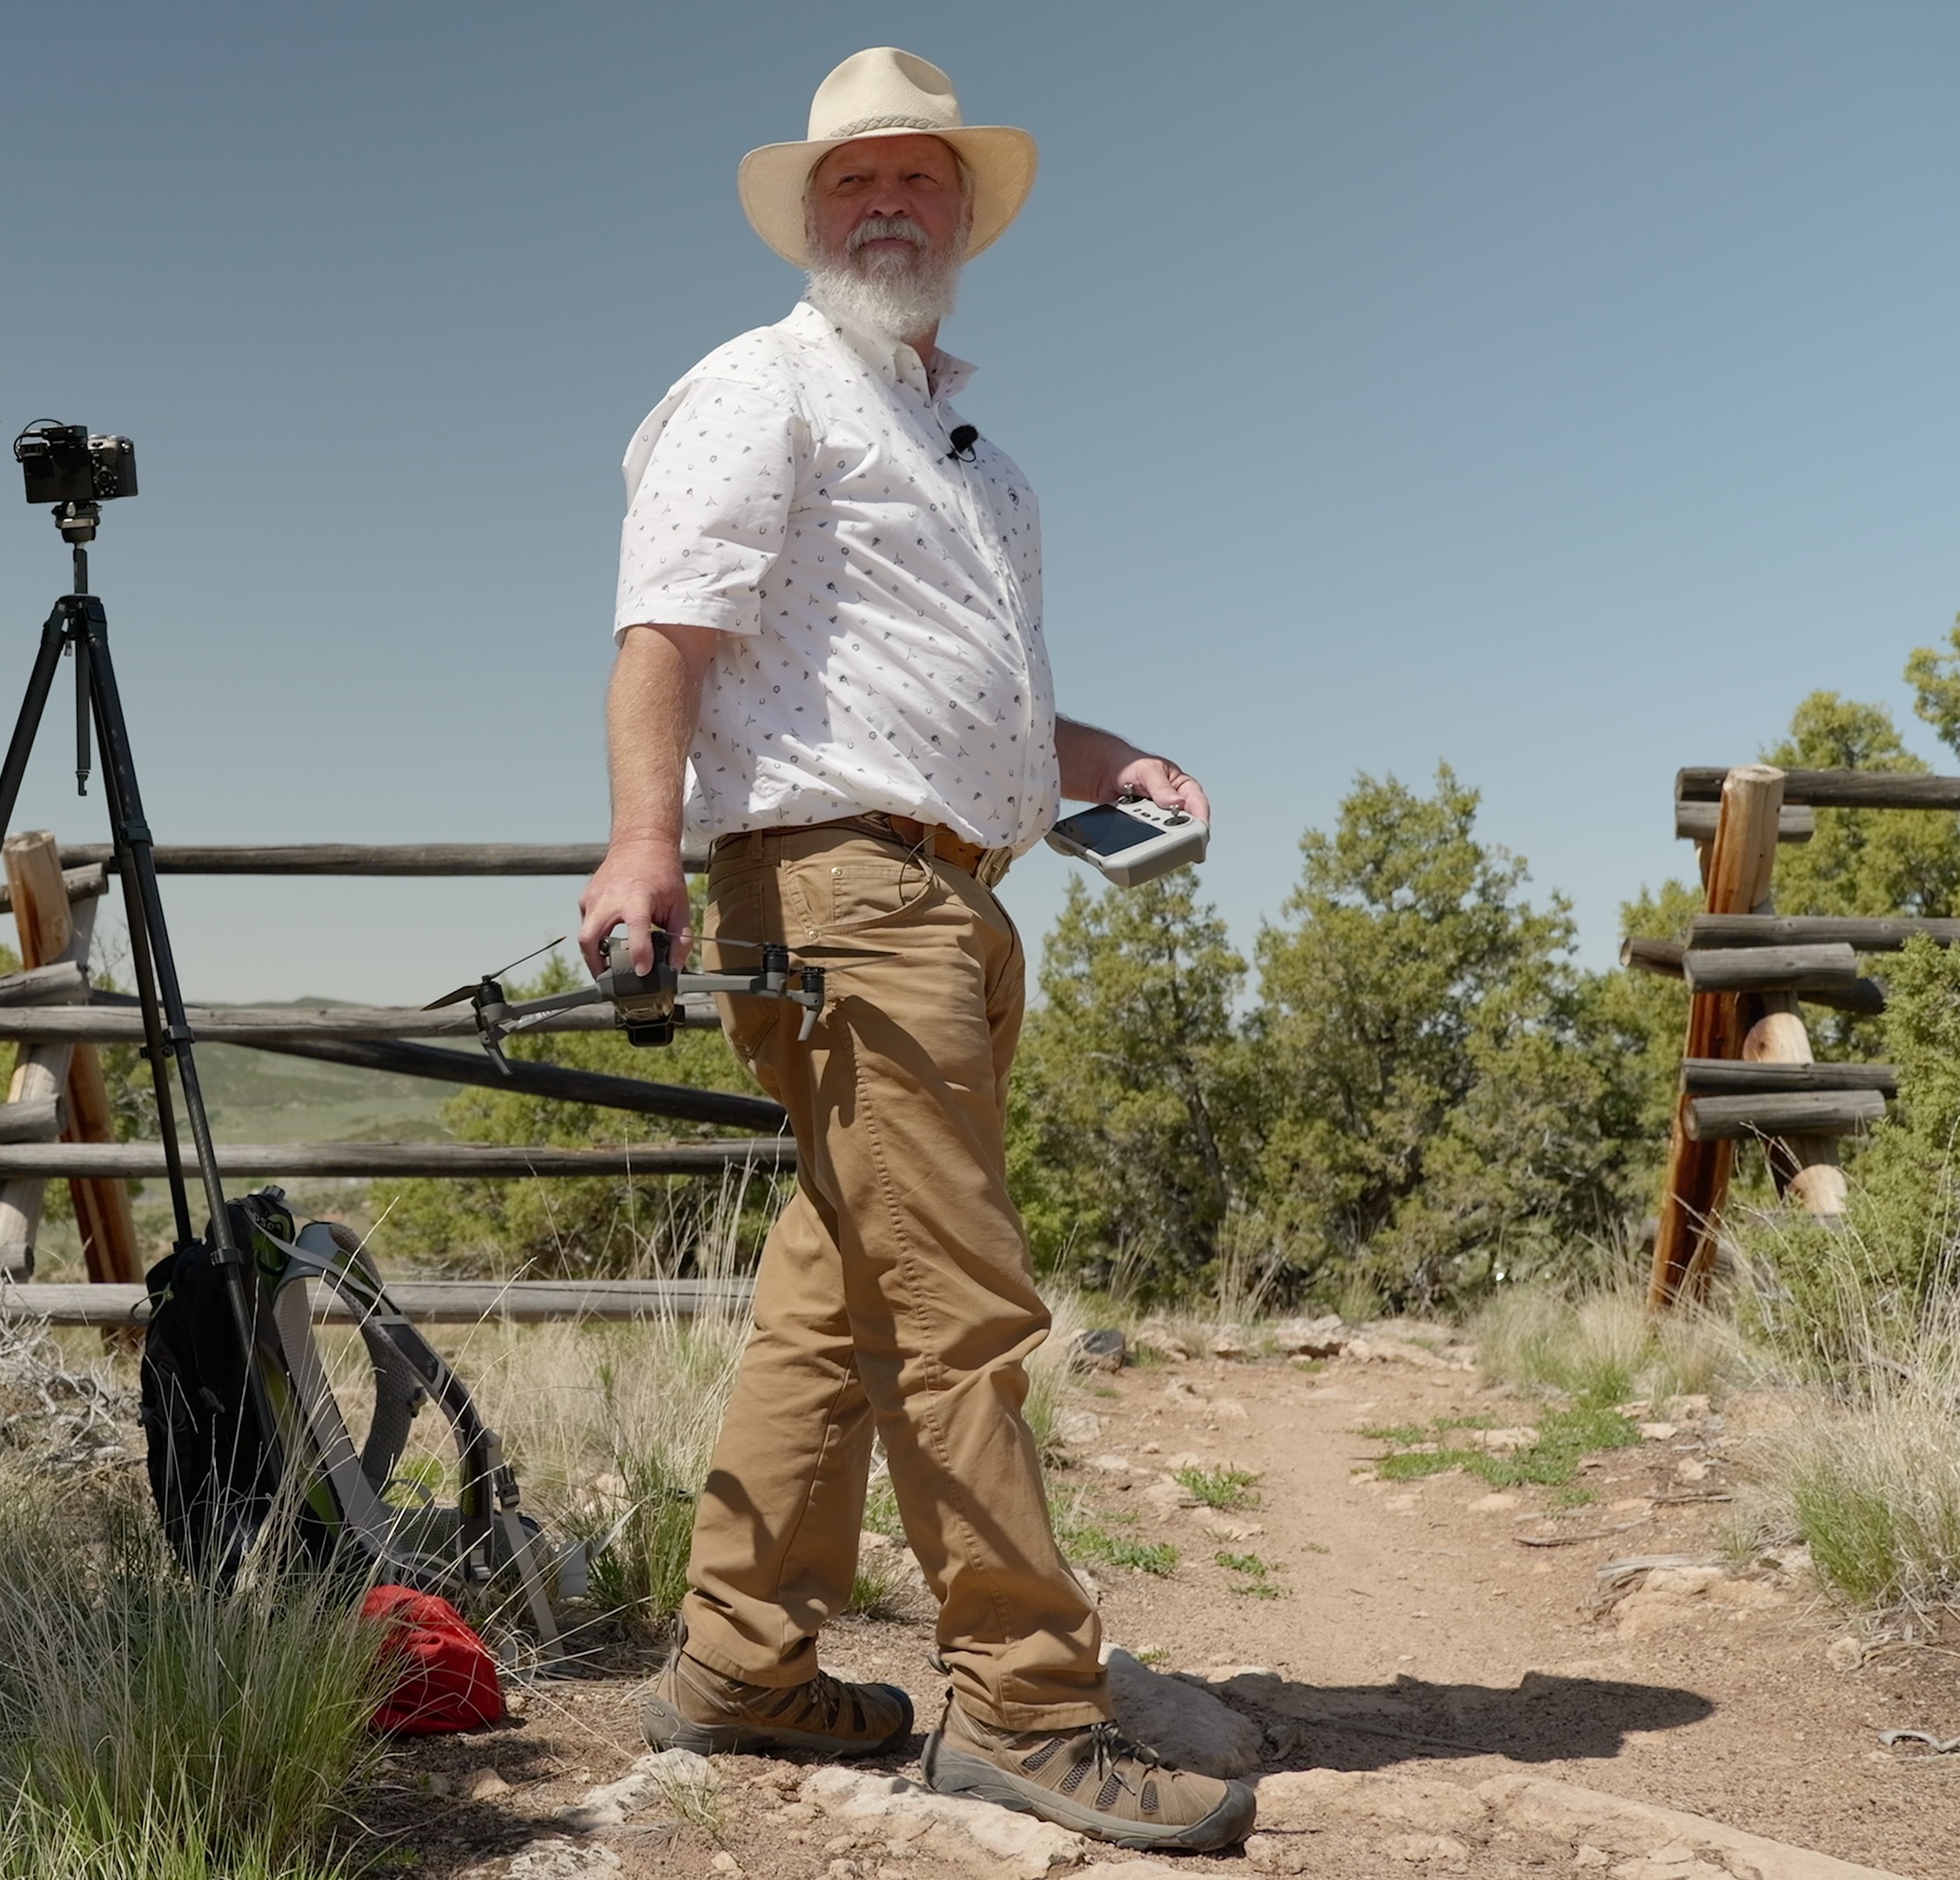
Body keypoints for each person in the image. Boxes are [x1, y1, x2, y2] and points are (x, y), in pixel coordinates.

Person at [574, 48, 1255, 1854]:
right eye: (854, 180)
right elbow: (665, 638)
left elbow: (963, 706)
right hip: (842, 895)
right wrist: (647, 838)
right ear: (812, 216)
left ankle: (740, 1665)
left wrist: (1102, 766)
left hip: (954, 894)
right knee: (959, 1309)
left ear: (965, 217)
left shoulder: (973, 458)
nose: (887, 204)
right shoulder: (762, 387)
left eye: (920, 181)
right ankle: (1029, 1706)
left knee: (840, 1290)